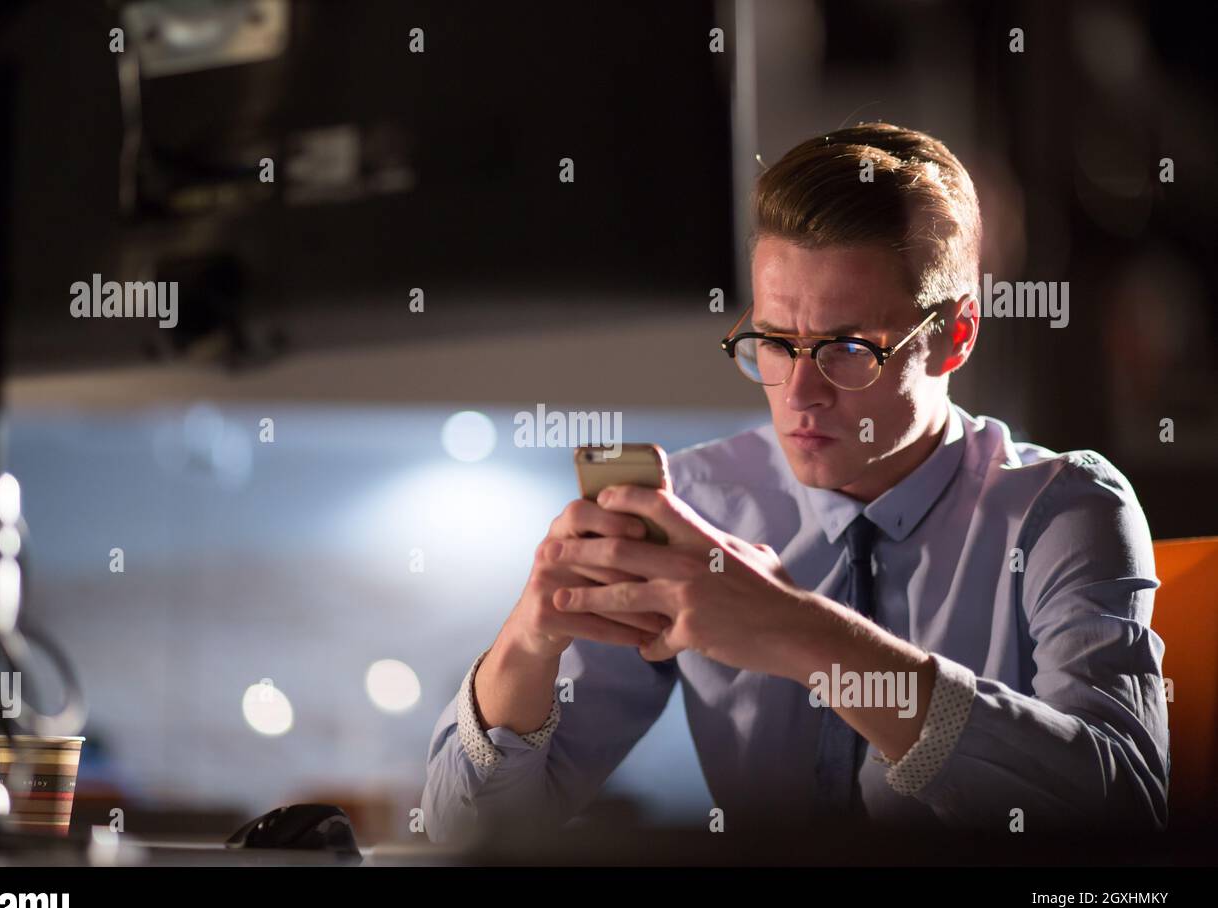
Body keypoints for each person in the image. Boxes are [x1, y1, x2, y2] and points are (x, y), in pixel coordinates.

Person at [421, 122, 1169, 841]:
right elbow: (466, 833)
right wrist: (528, 638)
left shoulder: (1065, 509)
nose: (799, 395)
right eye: (775, 344)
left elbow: (1127, 809)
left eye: (847, 348)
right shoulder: (695, 510)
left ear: (955, 335)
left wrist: (797, 633)